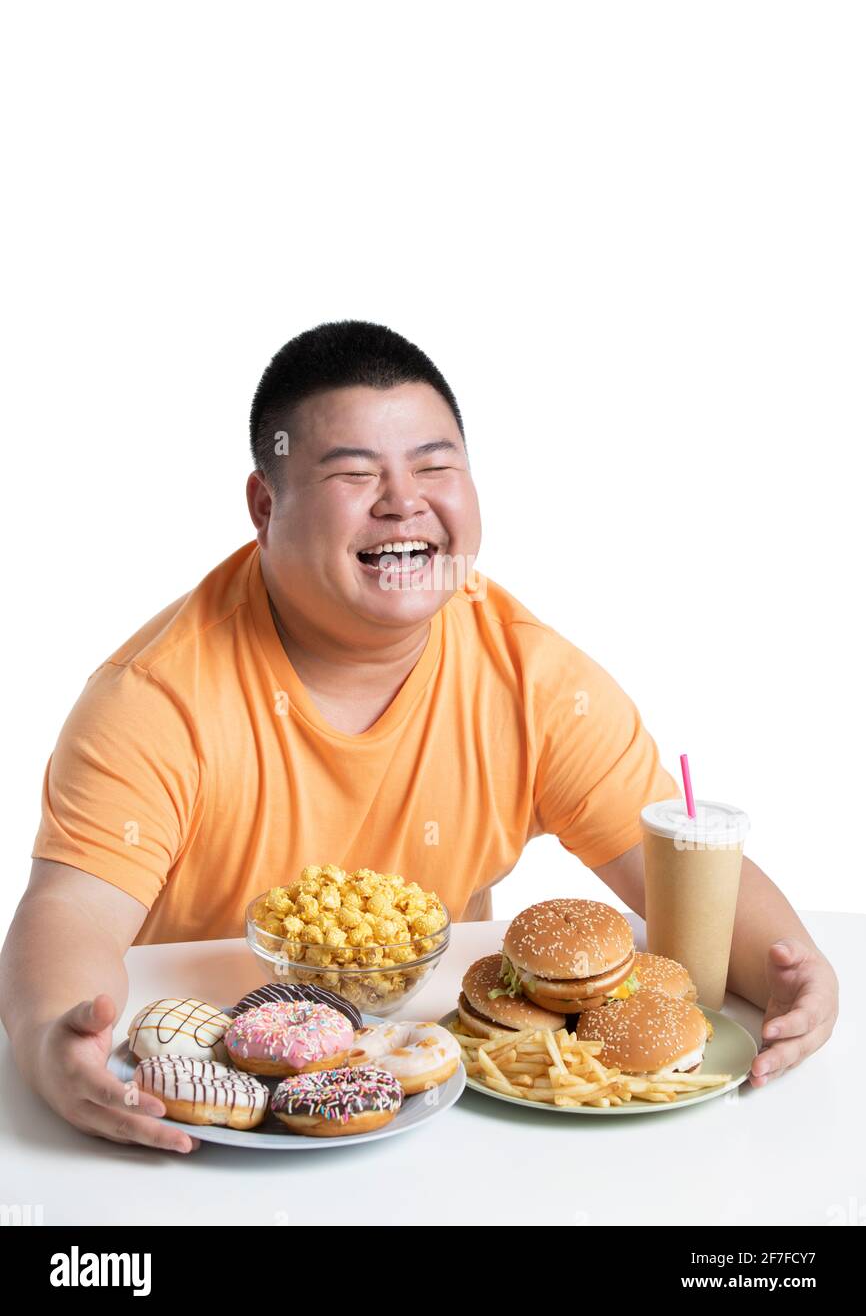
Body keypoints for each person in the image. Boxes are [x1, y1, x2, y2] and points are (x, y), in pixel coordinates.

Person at [0, 320, 839, 1152]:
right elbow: (73, 908)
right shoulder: (156, 698)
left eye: (436, 466)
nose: (404, 501)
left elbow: (677, 863)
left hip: (441, 1104)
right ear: (265, 504)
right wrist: (51, 1041)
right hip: (211, 1116)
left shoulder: (530, 676)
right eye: (355, 473)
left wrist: (797, 971)